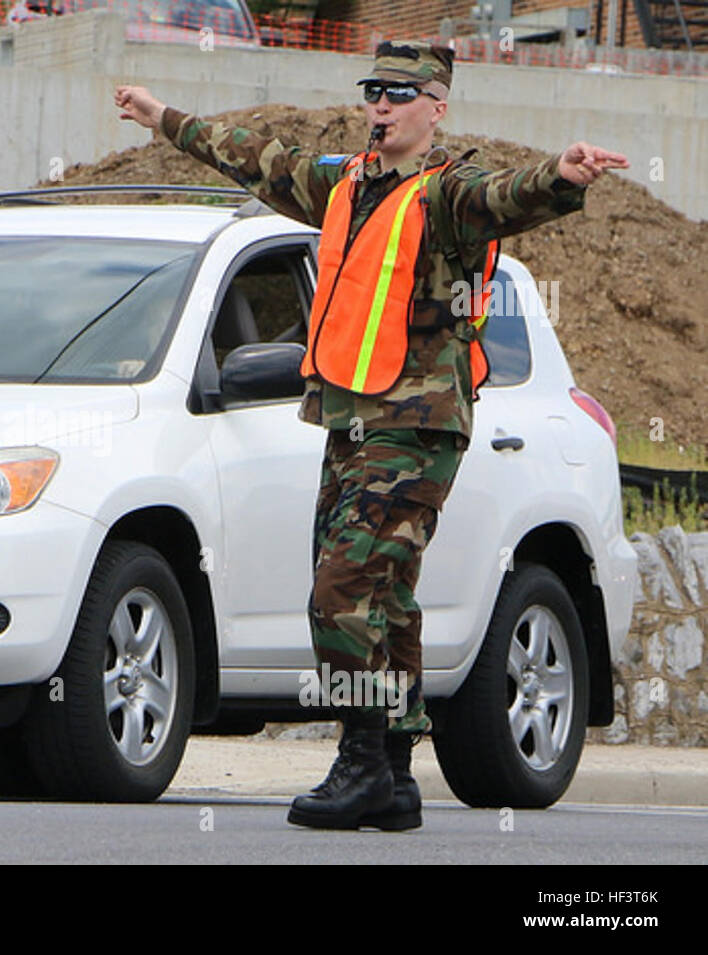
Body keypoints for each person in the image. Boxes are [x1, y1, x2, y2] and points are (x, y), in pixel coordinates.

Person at [114, 41, 628, 830]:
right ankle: (392, 774)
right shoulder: (345, 184)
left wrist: (560, 177)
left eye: (399, 94)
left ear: (436, 106)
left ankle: (359, 757)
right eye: (374, 92)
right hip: (351, 422)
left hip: (417, 427)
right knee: (386, 600)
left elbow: (507, 196)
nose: (380, 107)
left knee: (342, 592)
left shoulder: (447, 192)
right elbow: (257, 159)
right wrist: (162, 118)